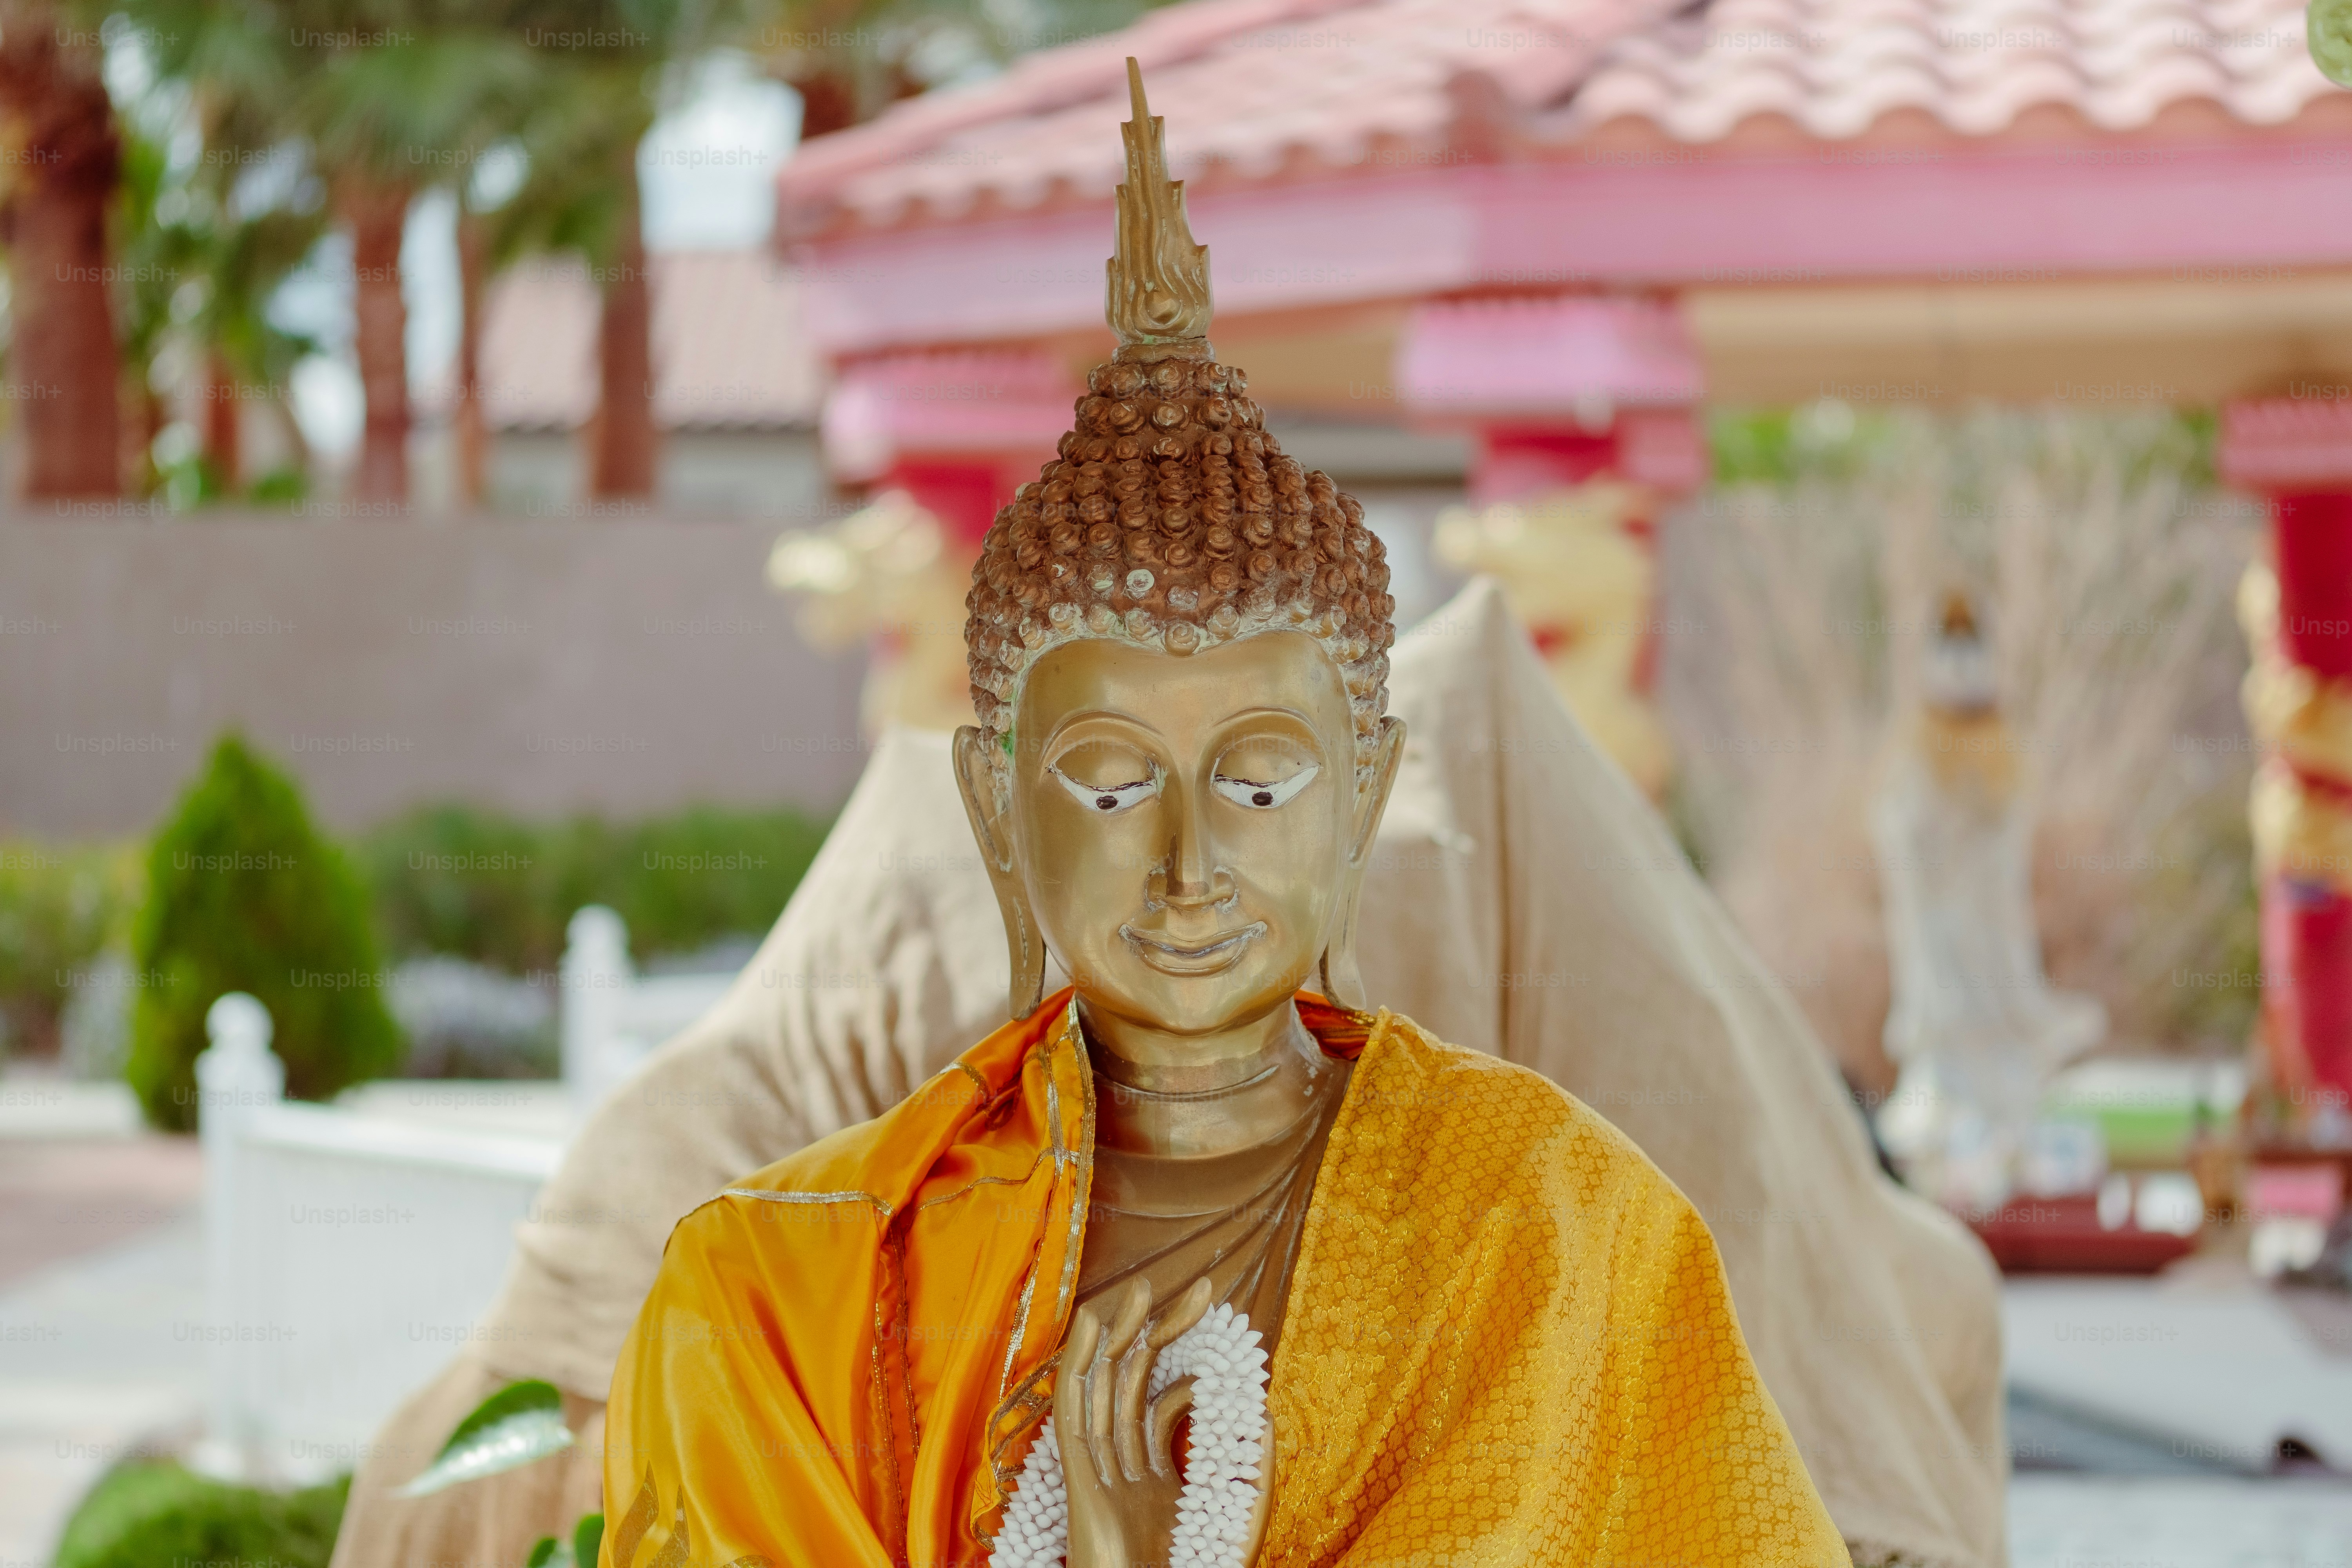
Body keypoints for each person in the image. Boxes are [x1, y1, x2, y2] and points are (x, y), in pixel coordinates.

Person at [588, 63, 1844, 1568]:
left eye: (1260, 783)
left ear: (1367, 789)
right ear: (995, 808)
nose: (1188, 868)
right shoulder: (782, 1292)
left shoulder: (1562, 1232)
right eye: (1111, 785)